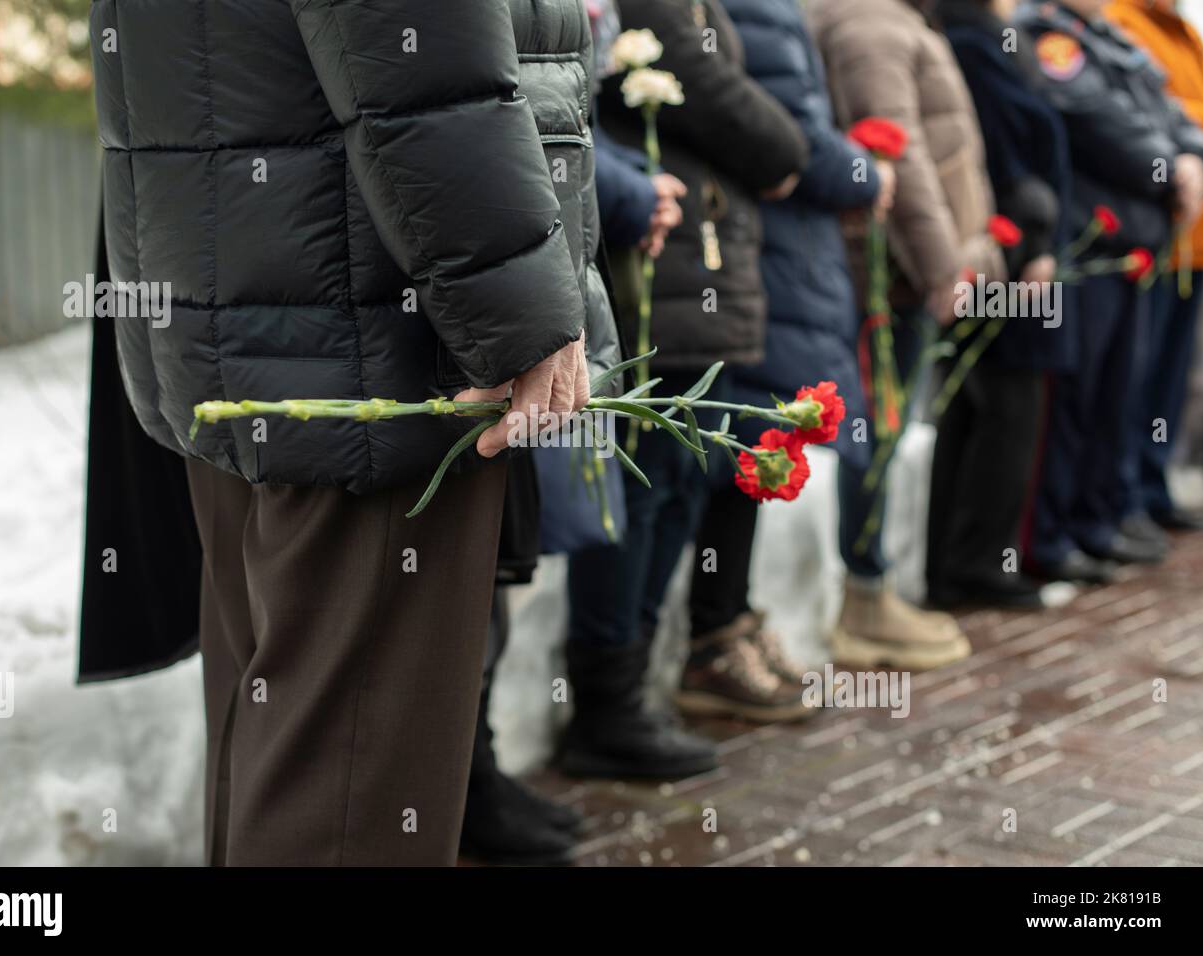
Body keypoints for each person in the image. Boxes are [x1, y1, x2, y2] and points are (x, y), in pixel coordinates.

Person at [81, 0, 611, 866]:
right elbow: (419, 61)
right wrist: (519, 313)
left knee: (280, 758)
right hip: (374, 342)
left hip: (261, 330)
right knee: (351, 793)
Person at [562, 0, 809, 779]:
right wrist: (787, 147)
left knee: (674, 480)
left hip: (698, 268)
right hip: (660, 267)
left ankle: (630, 696)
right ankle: (606, 707)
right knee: (639, 484)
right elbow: (711, 91)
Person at [458, 0, 674, 866]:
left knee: (491, 555)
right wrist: (627, 193)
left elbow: (554, 106)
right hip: (493, 288)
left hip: (528, 271)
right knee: (461, 558)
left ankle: (472, 772)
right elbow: (493, 104)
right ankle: (461, 778)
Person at [678, 0, 894, 721]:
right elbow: (785, 135)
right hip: (761, 252)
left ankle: (729, 619)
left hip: (776, 253)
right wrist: (863, 173)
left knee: (754, 444)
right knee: (742, 440)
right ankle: (713, 635)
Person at [808, 0, 1005, 669]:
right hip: (889, 273)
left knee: (883, 430)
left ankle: (871, 594)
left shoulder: (888, 16)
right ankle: (863, 601)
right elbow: (897, 145)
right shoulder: (869, 20)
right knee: (875, 429)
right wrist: (942, 266)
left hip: (899, 270)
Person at [1017, 0, 1203, 582]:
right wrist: (1169, 166)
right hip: (1088, 245)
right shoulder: (1048, 36)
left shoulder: (1108, 37)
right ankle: (1053, 537)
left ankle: (1095, 523)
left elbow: (1170, 111)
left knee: (1115, 393)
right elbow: (1096, 115)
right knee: (1073, 398)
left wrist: (1193, 156)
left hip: (1131, 246)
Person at [925, 0, 1072, 609]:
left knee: (988, 400)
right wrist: (1034, 241)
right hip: (1003, 250)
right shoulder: (976, 42)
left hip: (1006, 242)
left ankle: (968, 562)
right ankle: (974, 565)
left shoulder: (990, 37)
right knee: (1001, 402)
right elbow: (1006, 154)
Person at [1105, 0, 1203, 531]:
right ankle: (1128, 495)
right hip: (1160, 241)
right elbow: (1159, 114)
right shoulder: (1125, 22)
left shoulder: (1184, 31)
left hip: (1197, 242)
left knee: (1172, 377)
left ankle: (1153, 483)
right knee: (1138, 379)